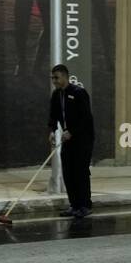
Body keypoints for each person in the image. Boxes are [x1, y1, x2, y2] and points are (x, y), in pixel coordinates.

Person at [49, 63, 94, 217]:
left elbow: (86, 118)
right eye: (52, 78)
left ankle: (85, 205)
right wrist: (52, 130)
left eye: (57, 77)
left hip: (83, 139)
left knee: (80, 171)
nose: (54, 81)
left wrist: (72, 132)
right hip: (68, 139)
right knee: (68, 171)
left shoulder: (79, 93)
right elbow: (53, 115)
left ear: (65, 77)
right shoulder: (56, 95)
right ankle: (74, 205)